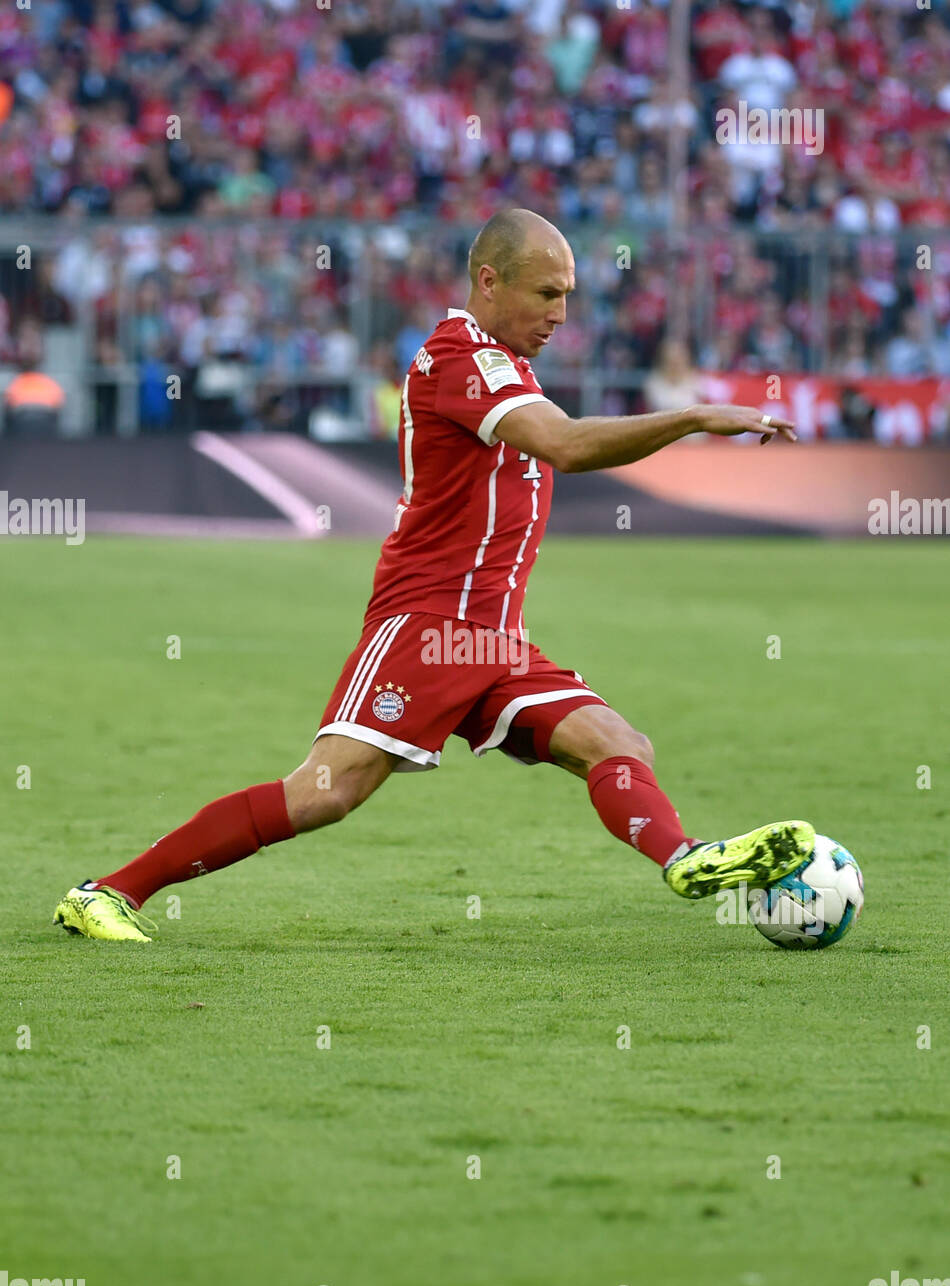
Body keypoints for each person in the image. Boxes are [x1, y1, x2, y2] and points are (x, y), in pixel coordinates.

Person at [54, 208, 810, 944]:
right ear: (490, 282)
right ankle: (110, 893)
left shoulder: (505, 364)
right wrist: (693, 416)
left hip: (492, 641)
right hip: (428, 627)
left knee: (617, 743)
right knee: (325, 792)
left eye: (568, 297)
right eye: (546, 294)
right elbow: (569, 447)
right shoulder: (462, 358)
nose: (560, 314)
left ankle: (686, 860)